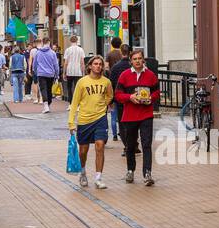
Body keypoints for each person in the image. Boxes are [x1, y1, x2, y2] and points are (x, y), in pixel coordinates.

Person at [68, 54, 114, 190]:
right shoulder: (82, 82)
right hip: (84, 120)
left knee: (100, 146)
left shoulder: (106, 82)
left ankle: (98, 177)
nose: (98, 66)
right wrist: (71, 122)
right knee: (83, 150)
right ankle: (82, 172)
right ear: (90, 66)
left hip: (100, 118)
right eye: (95, 64)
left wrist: (104, 104)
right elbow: (74, 102)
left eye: (100, 64)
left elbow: (110, 95)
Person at [115, 49, 159, 185]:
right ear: (131, 61)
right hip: (130, 115)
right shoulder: (124, 75)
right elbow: (117, 94)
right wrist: (130, 97)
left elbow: (157, 92)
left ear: (143, 60)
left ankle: (147, 173)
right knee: (130, 145)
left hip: (146, 114)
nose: (138, 61)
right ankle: (130, 170)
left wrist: (150, 98)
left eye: (140, 58)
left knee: (146, 144)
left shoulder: (151, 75)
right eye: (135, 59)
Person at [109, 43, 132, 149]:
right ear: (130, 53)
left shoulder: (115, 67)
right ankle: (133, 143)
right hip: (133, 98)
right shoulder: (132, 66)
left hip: (120, 99)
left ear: (121, 52)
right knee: (133, 122)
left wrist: (112, 99)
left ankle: (127, 145)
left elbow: (112, 83)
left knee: (122, 123)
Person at [31, 37, 61, 114]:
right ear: (49, 42)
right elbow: (56, 65)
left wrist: (35, 71)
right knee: (49, 89)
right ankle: (48, 104)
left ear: (42, 43)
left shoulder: (38, 53)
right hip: (50, 74)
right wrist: (57, 74)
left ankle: (46, 105)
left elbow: (34, 64)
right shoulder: (52, 53)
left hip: (41, 73)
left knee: (43, 89)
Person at [63, 36, 86, 105]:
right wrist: (83, 72)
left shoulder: (68, 50)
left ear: (70, 41)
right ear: (77, 41)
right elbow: (82, 62)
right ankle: (78, 104)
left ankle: (71, 104)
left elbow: (66, 62)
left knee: (69, 88)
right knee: (78, 88)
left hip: (69, 71)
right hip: (78, 71)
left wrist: (64, 72)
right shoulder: (81, 50)